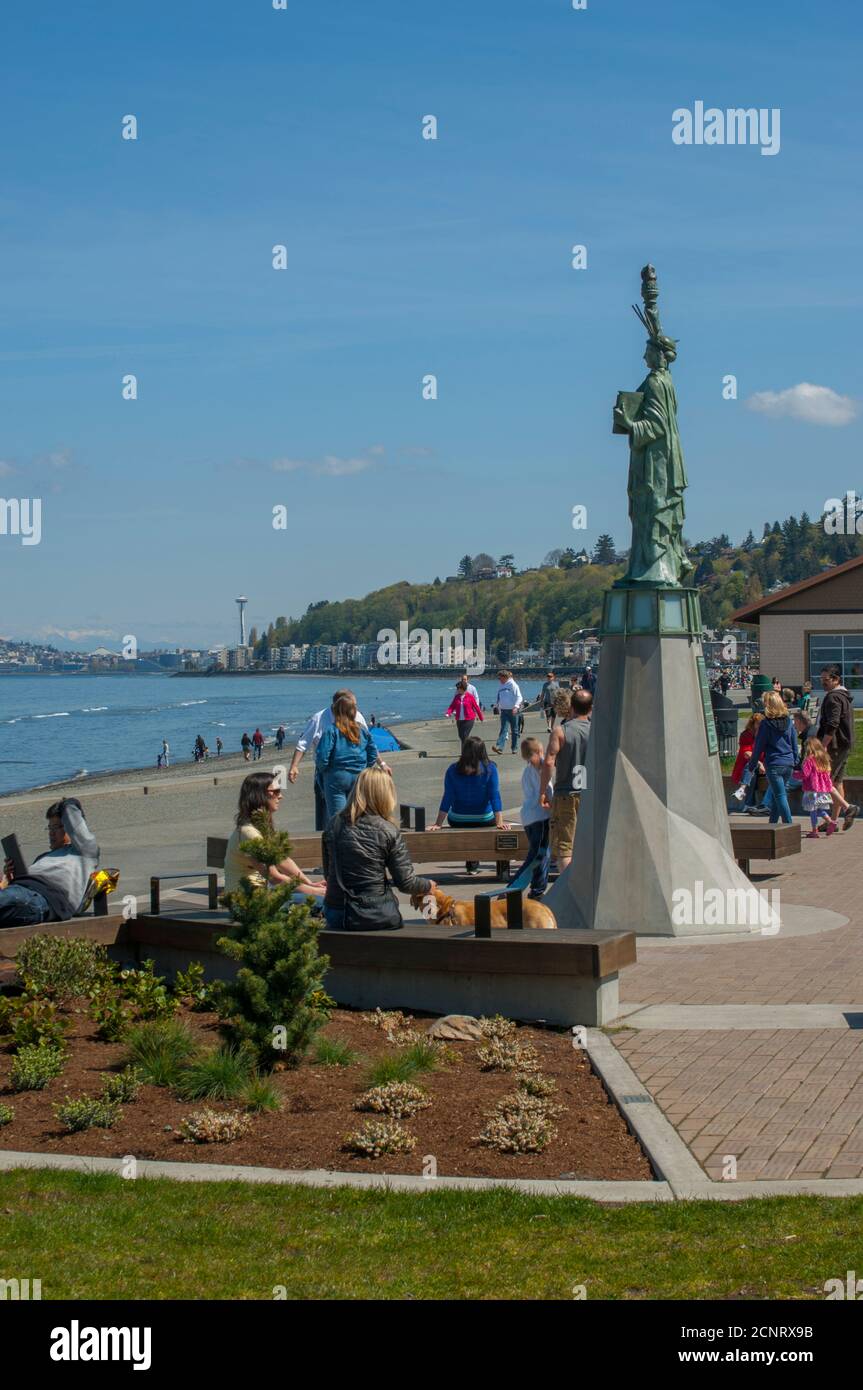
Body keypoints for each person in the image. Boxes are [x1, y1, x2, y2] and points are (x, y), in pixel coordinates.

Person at [322, 768, 435, 931]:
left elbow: (328, 873)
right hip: (373, 913)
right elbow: (406, 883)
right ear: (385, 795)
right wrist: (428, 885)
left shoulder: (333, 824)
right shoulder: (388, 830)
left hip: (337, 911)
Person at [223, 772, 326, 905]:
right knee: (320, 902)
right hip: (245, 903)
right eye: (276, 791)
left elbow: (283, 860)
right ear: (258, 795)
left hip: (261, 896)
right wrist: (314, 892)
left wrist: (310, 883)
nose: (281, 796)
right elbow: (273, 876)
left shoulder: (262, 827)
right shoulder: (249, 833)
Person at [0, 799, 99, 928]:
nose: (51, 833)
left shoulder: (84, 851)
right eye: (50, 827)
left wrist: (65, 803)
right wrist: (10, 876)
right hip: (22, 895)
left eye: (57, 827)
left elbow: (73, 816)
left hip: (41, 898)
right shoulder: (42, 858)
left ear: (70, 828)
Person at [288, 689, 372, 832]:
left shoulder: (355, 719)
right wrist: (294, 766)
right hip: (345, 772)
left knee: (345, 817)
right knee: (329, 813)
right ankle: (327, 841)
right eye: (353, 705)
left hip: (338, 774)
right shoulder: (319, 718)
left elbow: (370, 745)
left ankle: (340, 843)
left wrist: (326, 770)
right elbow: (304, 743)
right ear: (340, 705)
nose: (355, 708)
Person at [430, 736, 509, 874]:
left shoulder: (452, 769)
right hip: (484, 819)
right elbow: (494, 796)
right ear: (483, 752)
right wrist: (500, 822)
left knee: (467, 821)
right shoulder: (490, 769)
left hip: (458, 820)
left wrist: (438, 824)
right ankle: (481, 864)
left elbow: (447, 797)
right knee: (483, 820)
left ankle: (472, 865)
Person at [541, 688, 592, 874]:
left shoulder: (561, 731)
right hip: (590, 793)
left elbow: (548, 762)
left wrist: (543, 792)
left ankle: (571, 889)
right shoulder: (597, 730)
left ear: (571, 706)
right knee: (589, 842)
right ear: (591, 708)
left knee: (565, 846)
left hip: (566, 792)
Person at [315, 692, 381, 821]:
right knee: (357, 815)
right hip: (358, 775)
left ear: (336, 711)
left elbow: (322, 757)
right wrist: (364, 767)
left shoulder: (331, 730)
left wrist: (325, 771)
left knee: (338, 818)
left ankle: (340, 839)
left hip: (336, 775)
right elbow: (373, 752)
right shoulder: (362, 729)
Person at [508, 736, 551, 899]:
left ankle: (537, 889)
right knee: (538, 855)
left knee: (542, 854)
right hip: (538, 817)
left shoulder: (528, 770)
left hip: (530, 817)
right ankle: (512, 890)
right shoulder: (539, 768)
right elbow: (547, 791)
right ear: (539, 751)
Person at [746, 691, 797, 826]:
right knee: (776, 795)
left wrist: (751, 766)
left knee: (780, 796)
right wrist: (795, 760)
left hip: (774, 764)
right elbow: (794, 743)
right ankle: (772, 825)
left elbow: (758, 747)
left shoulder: (766, 724)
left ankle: (789, 826)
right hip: (788, 763)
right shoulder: (788, 721)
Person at [816, 664, 858, 829]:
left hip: (834, 745)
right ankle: (833, 821)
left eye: (826, 680)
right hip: (844, 744)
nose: (822, 683)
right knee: (837, 782)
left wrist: (823, 745)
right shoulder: (843, 696)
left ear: (836, 679)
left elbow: (833, 723)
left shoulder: (833, 697)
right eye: (821, 679)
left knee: (824, 781)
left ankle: (849, 808)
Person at [800, 739, 837, 839]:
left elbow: (805, 774)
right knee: (819, 810)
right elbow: (828, 773)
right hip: (822, 790)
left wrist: (794, 774)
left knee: (813, 811)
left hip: (812, 789)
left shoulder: (809, 760)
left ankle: (814, 831)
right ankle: (831, 822)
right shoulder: (823, 759)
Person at [729, 712, 763, 811]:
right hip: (746, 767)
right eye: (758, 723)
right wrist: (760, 764)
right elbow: (747, 753)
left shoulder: (763, 735)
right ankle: (748, 803)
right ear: (753, 724)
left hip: (761, 767)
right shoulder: (746, 735)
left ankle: (742, 791)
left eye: (762, 724)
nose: (760, 726)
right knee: (751, 766)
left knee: (753, 768)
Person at [492, 669, 523, 754]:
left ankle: (514, 748)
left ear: (505, 677)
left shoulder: (513, 685)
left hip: (513, 710)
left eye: (500, 678)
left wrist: (516, 707)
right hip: (504, 710)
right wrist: (497, 705)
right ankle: (499, 747)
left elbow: (519, 697)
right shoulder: (501, 685)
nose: (499, 680)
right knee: (504, 729)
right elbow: (499, 696)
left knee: (515, 730)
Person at [446, 678, 484, 744]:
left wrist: (481, 717)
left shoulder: (470, 697)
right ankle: (468, 749)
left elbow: (476, 707)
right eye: (457, 688)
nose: (457, 690)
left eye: (458, 688)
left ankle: (465, 753)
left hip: (469, 719)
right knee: (461, 736)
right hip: (459, 719)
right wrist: (448, 713)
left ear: (463, 689)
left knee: (465, 736)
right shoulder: (457, 697)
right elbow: (452, 706)